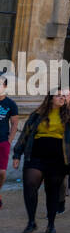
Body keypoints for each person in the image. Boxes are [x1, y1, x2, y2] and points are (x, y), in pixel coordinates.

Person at [12, 89, 70, 233]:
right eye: (58, 95)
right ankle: (31, 222)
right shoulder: (37, 115)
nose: (62, 98)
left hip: (58, 158)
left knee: (52, 191)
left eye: (64, 96)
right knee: (30, 185)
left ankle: (51, 223)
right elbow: (25, 134)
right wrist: (17, 154)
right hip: (36, 156)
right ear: (50, 98)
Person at [0, 74, 18, 210]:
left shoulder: (10, 104)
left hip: (2, 142)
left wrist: (9, 141)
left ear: (4, 86)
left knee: (2, 173)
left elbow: (14, 123)